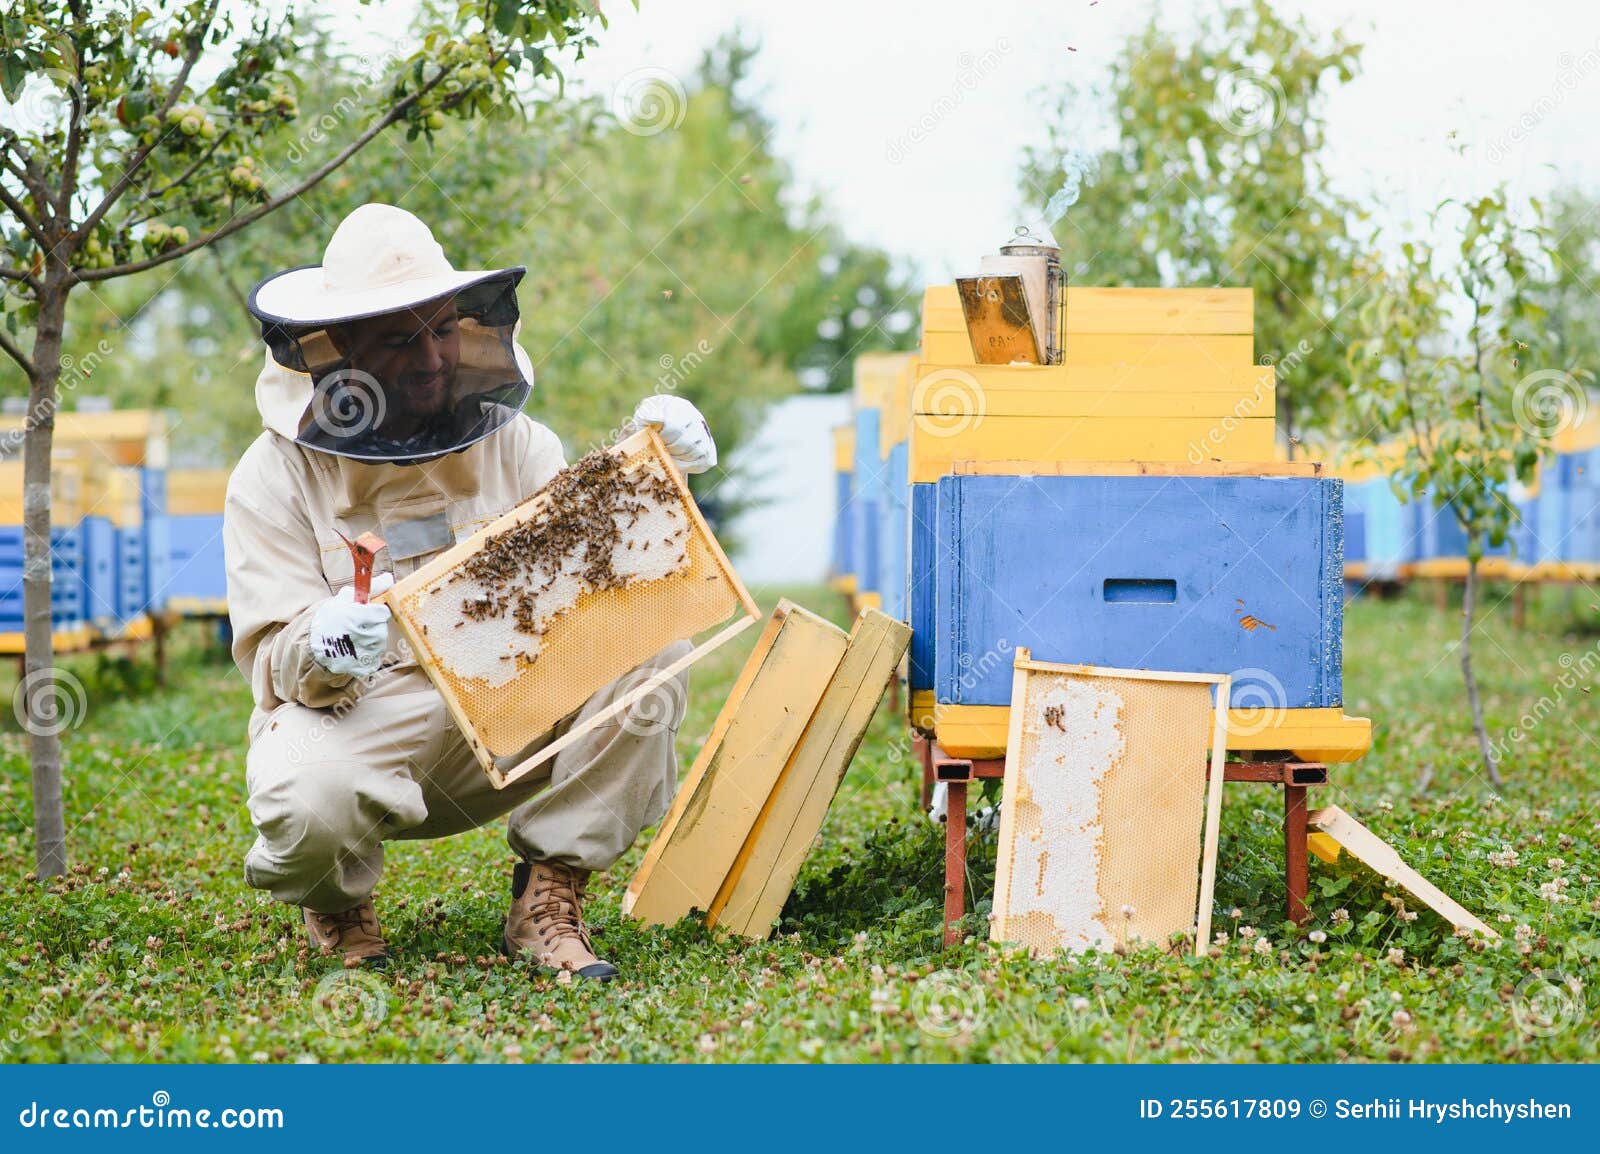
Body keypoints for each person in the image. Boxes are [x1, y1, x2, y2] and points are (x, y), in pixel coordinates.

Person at [225, 203, 716, 980]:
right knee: (304, 801)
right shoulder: (273, 474)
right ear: (338, 348)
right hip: (366, 722)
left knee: (651, 642)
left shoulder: (515, 442)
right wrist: (320, 640)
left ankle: (548, 895)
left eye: (442, 329)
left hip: (507, 709)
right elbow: (271, 654)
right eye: (398, 338)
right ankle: (337, 899)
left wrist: (648, 461)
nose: (430, 359)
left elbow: (592, 576)